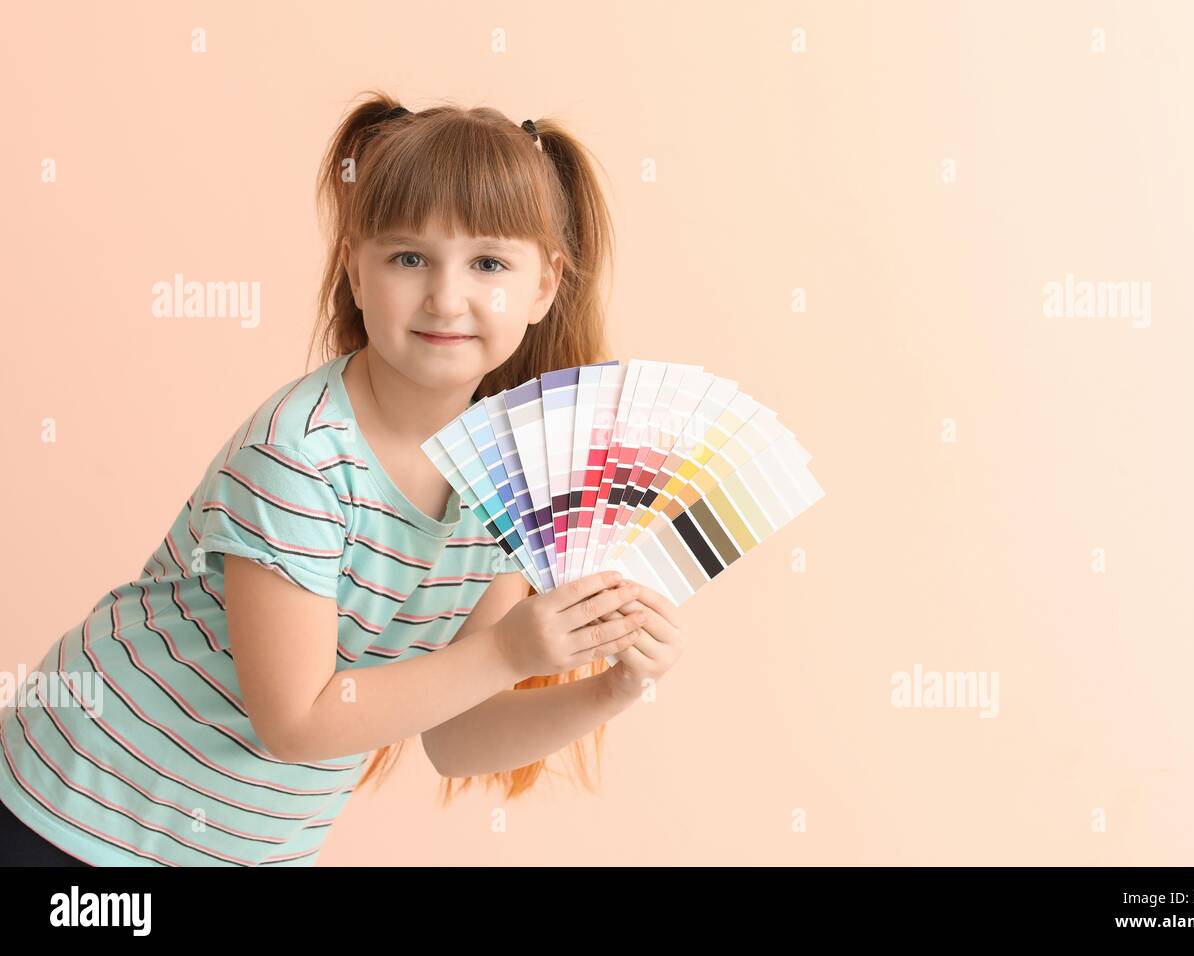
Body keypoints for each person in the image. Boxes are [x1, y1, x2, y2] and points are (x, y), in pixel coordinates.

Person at [0, 94, 687, 866]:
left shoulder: (509, 482)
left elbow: (456, 737)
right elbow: (293, 721)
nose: (446, 296)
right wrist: (509, 653)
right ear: (356, 271)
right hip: (79, 799)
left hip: (240, 847)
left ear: (543, 287)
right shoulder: (300, 457)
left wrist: (610, 689)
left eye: (489, 263)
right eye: (408, 258)